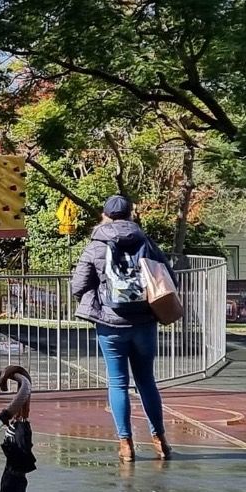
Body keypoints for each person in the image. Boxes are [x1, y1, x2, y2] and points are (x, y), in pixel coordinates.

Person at [71, 195, 173, 462]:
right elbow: (167, 276)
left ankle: (126, 445)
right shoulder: (146, 242)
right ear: (131, 214)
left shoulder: (96, 245)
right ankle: (160, 441)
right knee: (146, 381)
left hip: (111, 322)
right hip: (144, 322)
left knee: (118, 383)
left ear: (104, 215)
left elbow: (78, 285)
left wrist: (96, 296)